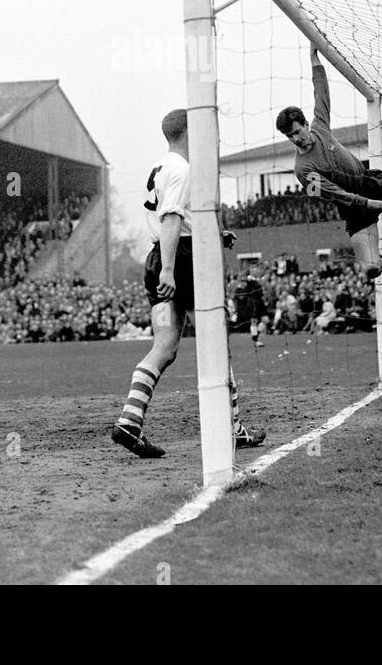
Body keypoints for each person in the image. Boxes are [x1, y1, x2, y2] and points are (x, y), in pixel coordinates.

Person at [111, 109, 266, 458]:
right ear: (190, 132)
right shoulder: (183, 169)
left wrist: (213, 232)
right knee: (215, 344)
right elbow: (172, 219)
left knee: (164, 347)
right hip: (182, 260)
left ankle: (129, 422)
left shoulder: (161, 167)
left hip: (157, 258)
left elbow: (177, 218)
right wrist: (171, 268)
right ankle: (233, 429)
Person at [276, 48, 382, 279]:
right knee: (371, 269)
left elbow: (321, 90)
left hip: (370, 182)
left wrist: (313, 56)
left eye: (297, 132)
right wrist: (381, 206)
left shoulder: (320, 125)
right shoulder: (303, 170)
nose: (296, 139)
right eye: (290, 136)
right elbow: (340, 196)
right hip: (352, 206)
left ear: (305, 124)